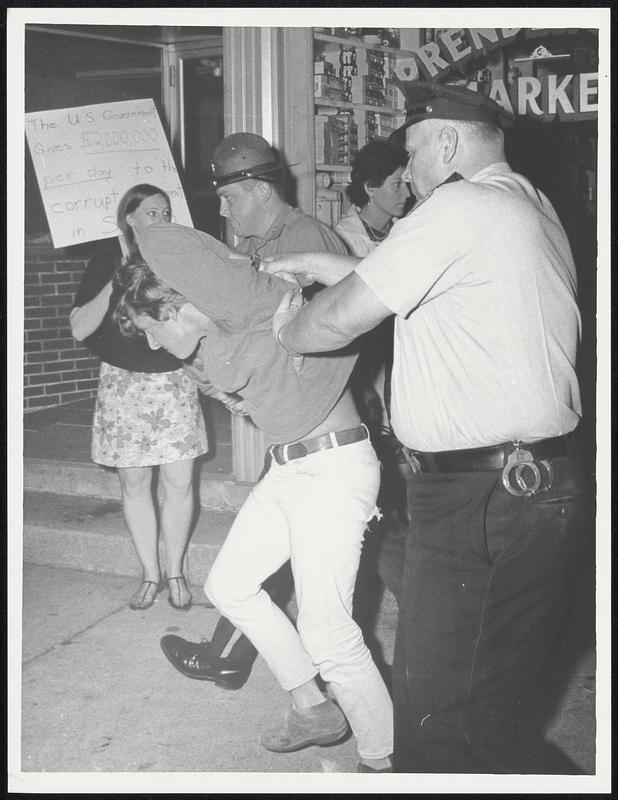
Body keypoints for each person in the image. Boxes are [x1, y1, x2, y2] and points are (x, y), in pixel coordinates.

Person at [263, 82, 588, 774]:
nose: (406, 172)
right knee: (491, 710)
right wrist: (326, 264)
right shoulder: (525, 203)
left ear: (446, 142)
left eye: (411, 153)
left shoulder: (456, 206)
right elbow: (435, 283)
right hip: (535, 483)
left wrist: (284, 332)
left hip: (477, 497)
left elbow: (337, 321)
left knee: (435, 722)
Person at [111, 222, 393, 772]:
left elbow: (163, 241)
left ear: (175, 304)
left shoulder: (252, 299)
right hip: (289, 469)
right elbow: (240, 375)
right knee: (230, 586)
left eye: (151, 329)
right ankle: (312, 707)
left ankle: (383, 763)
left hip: (334, 470)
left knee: (328, 634)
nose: (152, 344)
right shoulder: (219, 339)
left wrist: (135, 241)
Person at [158, 132, 348, 691]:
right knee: (285, 544)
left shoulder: (306, 240)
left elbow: (318, 337)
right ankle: (232, 655)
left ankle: (232, 658)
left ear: (261, 190)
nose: (222, 209)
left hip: (317, 417)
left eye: (229, 197)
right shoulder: (260, 242)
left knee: (286, 549)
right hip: (289, 412)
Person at [70, 184, 208, 611]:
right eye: (151, 213)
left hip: (173, 383)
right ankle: (150, 574)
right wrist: (118, 279)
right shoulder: (105, 261)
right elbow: (79, 328)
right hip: (123, 385)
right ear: (129, 219)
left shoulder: (180, 259)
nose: (161, 219)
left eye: (166, 212)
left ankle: (175, 571)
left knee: (179, 483)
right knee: (135, 484)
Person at [335, 140, 411, 604]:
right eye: (396, 184)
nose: (406, 192)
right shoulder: (343, 237)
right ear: (369, 188)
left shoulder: (408, 228)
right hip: (366, 367)